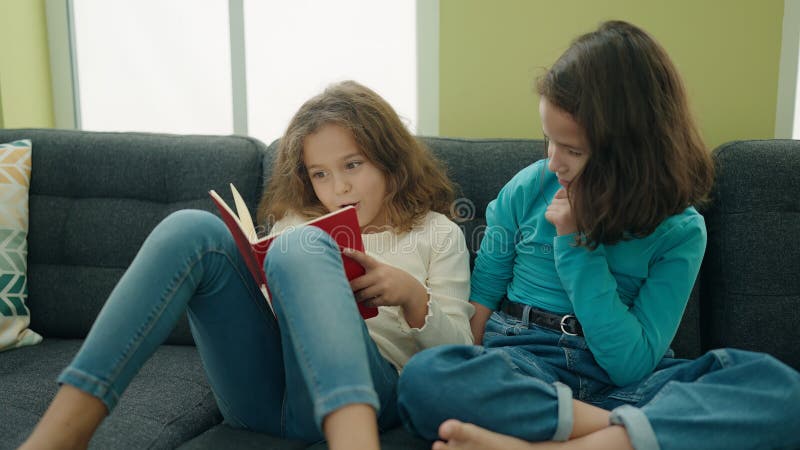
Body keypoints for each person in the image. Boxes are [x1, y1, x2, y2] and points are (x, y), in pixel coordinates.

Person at [396, 20, 800, 450]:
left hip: (627, 383)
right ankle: (623, 435)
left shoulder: (680, 230)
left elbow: (629, 365)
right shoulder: (529, 187)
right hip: (523, 363)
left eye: (572, 150)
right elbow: (480, 303)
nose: (554, 163)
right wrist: (472, 370)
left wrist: (576, 245)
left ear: (633, 155)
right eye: (549, 141)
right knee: (427, 378)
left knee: (781, 391)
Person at [21, 80, 474, 450]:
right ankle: (61, 434)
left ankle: (352, 440)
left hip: (371, 390)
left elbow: (461, 355)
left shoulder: (435, 233)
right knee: (191, 228)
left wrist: (413, 296)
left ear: (391, 162)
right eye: (320, 173)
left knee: (301, 247)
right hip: (262, 394)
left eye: (352, 165)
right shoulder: (295, 219)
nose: (338, 187)